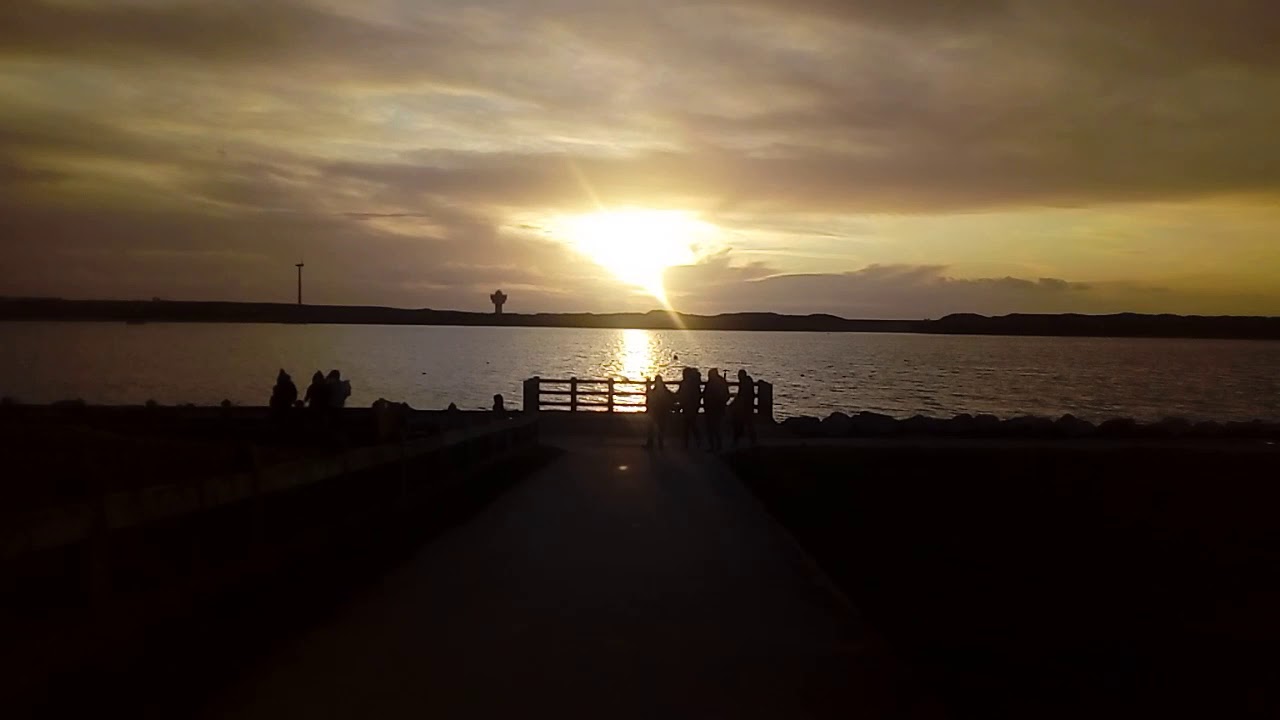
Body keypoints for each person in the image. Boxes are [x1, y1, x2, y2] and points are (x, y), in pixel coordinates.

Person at [644, 376, 676, 450]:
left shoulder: (656, 390)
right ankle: (659, 444)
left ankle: (651, 443)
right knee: (660, 428)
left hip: (655, 411)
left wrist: (648, 385)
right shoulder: (664, 390)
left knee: (652, 427)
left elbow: (649, 395)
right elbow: (671, 396)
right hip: (662, 411)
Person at [676, 367, 704, 450]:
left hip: (688, 406)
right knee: (690, 425)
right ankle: (695, 441)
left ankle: (689, 443)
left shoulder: (686, 384)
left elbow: (680, 394)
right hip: (692, 406)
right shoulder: (694, 384)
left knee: (688, 425)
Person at [730, 368, 759, 448]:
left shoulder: (744, 383)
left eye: (739, 376)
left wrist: (734, 403)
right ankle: (751, 440)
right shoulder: (748, 381)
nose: (738, 377)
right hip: (748, 406)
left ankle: (738, 440)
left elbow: (741, 395)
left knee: (740, 423)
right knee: (748, 424)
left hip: (744, 407)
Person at [703, 368, 730, 451]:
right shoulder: (721, 382)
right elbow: (727, 395)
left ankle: (715, 446)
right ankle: (717, 445)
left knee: (712, 429)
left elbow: (705, 394)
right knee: (715, 428)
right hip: (716, 408)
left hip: (713, 408)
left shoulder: (712, 383)